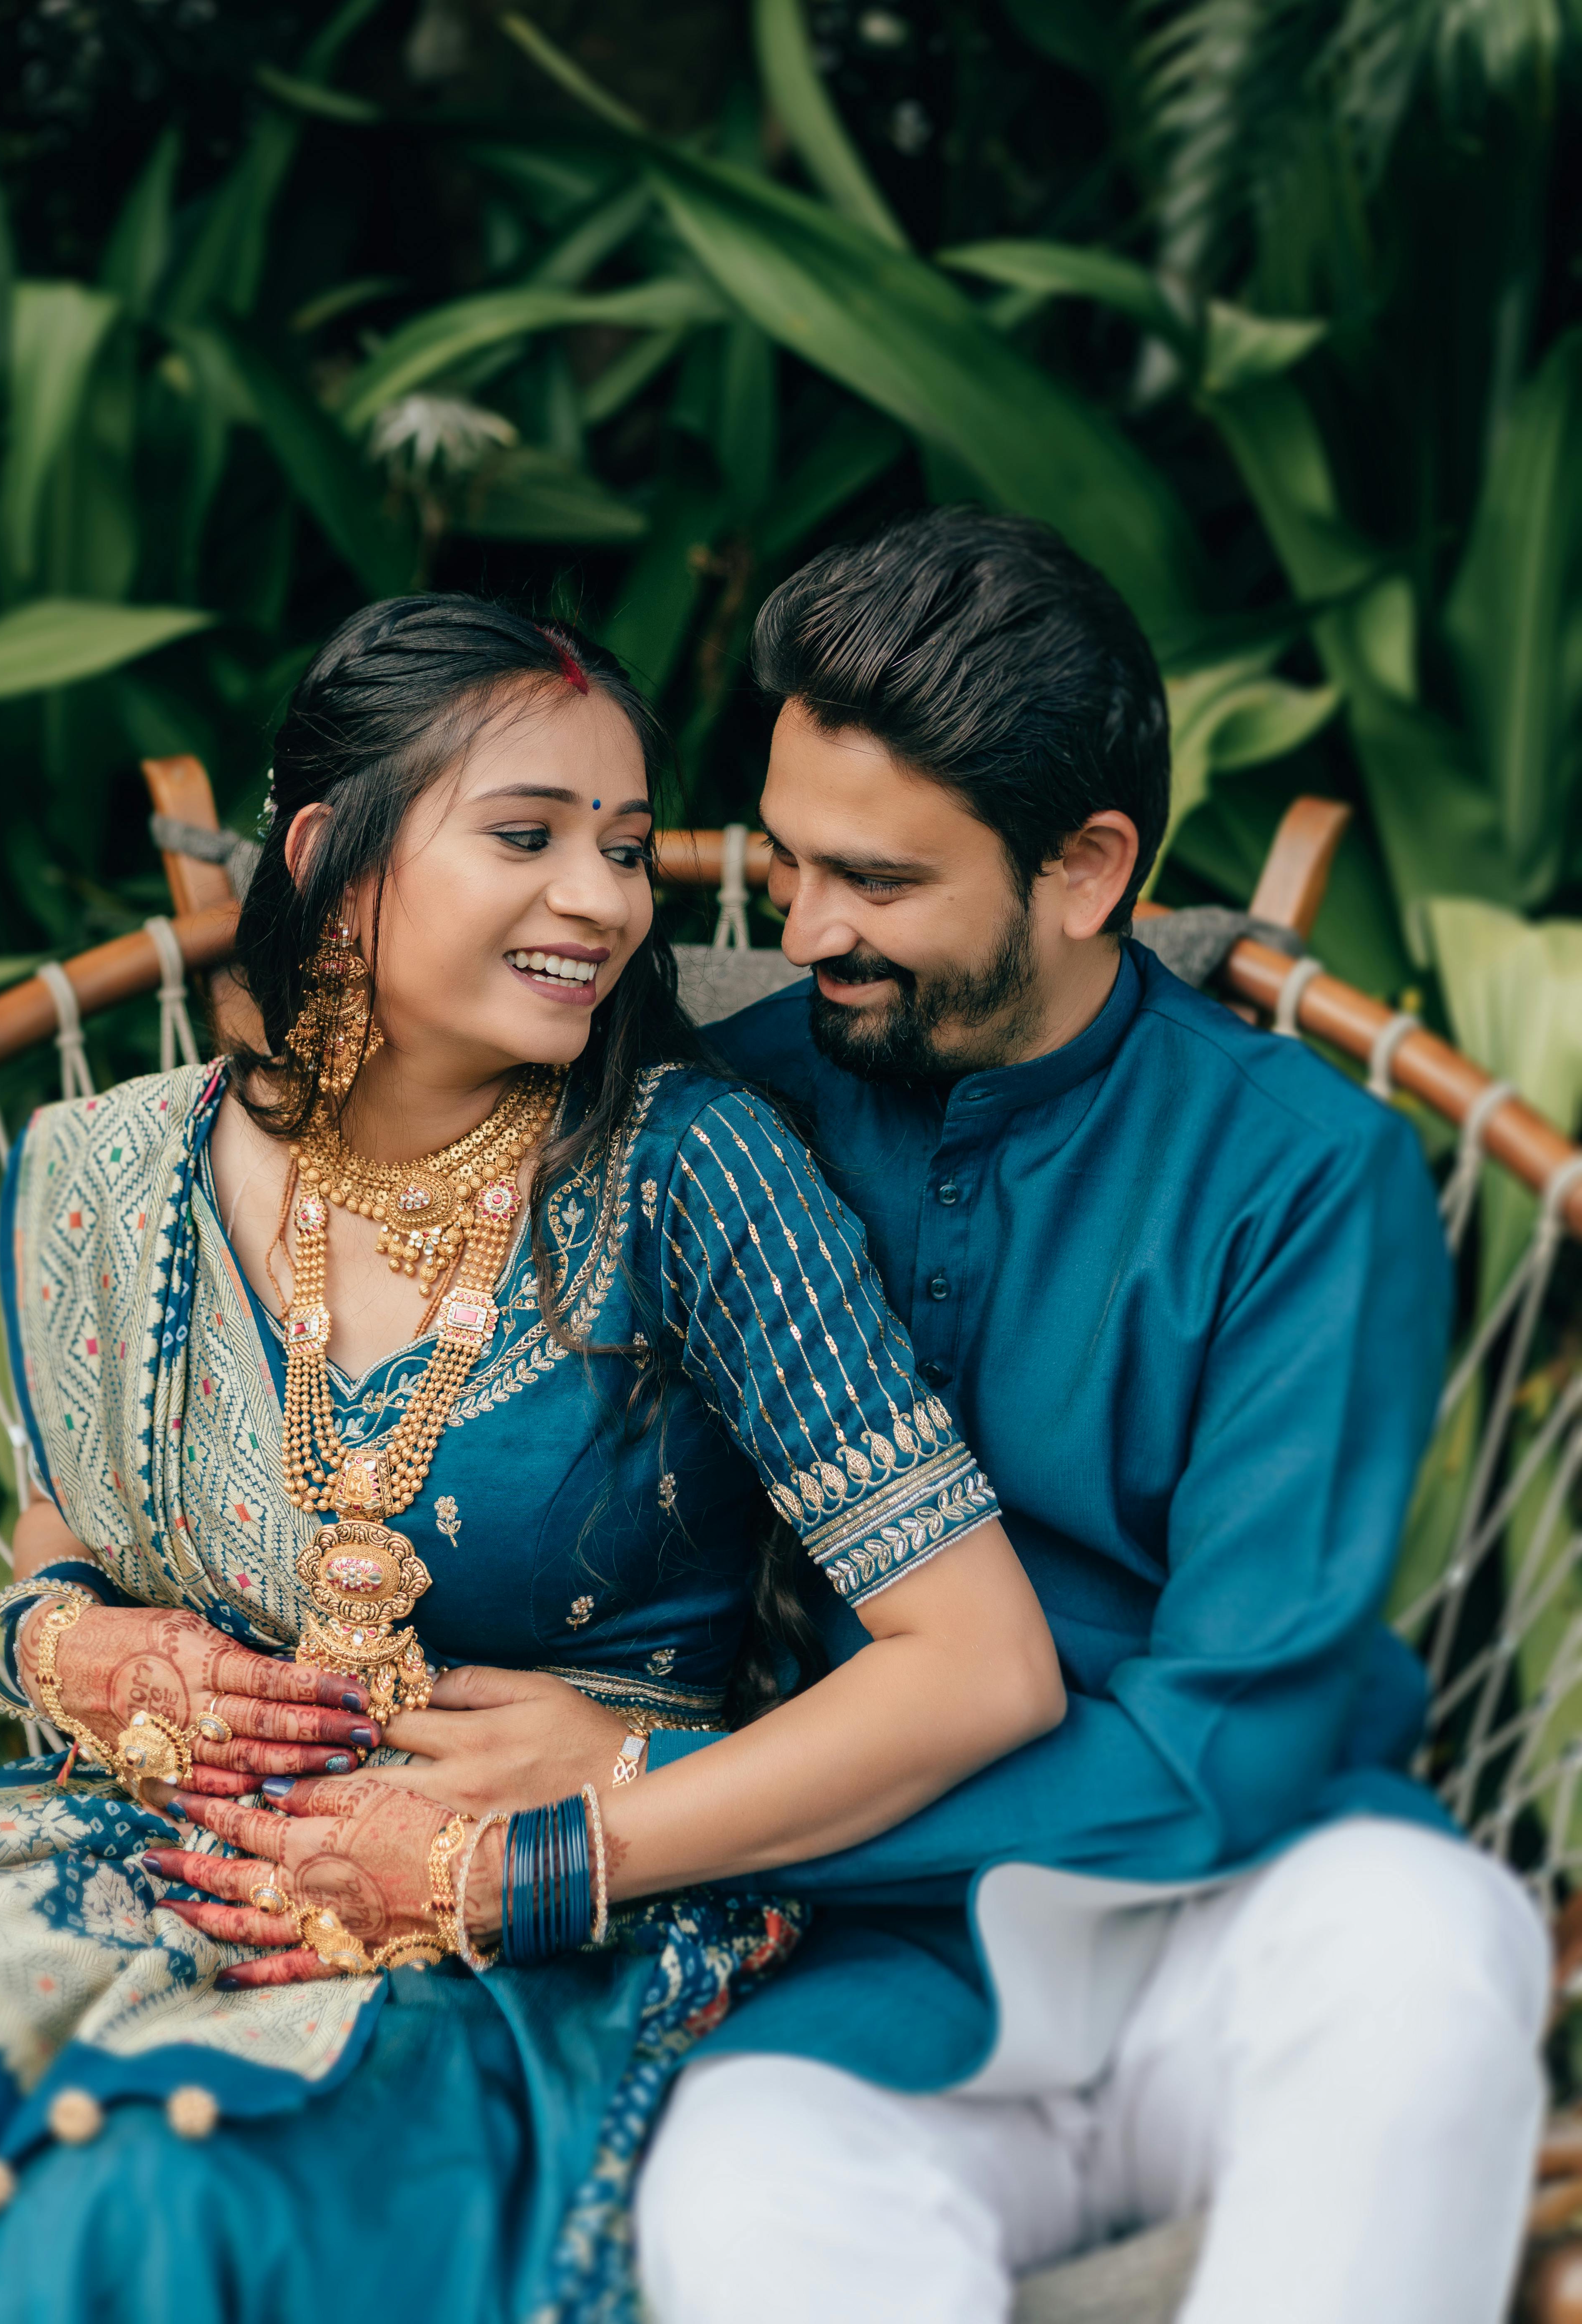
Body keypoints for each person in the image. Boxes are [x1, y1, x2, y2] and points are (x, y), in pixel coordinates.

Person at [0, 595, 1061, 2324]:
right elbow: (64, 1548)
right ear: (332, 858)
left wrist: (589, 1817)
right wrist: (72, 1645)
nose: (600, 900)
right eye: (525, 836)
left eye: (628, 850)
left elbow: (984, 1666)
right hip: (147, 1862)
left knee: (153, 2200)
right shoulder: (117, 1181)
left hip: (526, 1941)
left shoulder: (690, 1179)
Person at [623, 510, 1551, 2324]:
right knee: (738, 2187)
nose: (799, 931)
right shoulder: (723, 1117)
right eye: (786, 862)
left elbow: (1234, 1738)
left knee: (1434, 1965)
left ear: (1085, 868)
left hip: (1237, 1914)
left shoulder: (1302, 1171)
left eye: (874, 883)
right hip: (882, 1967)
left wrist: (661, 1810)